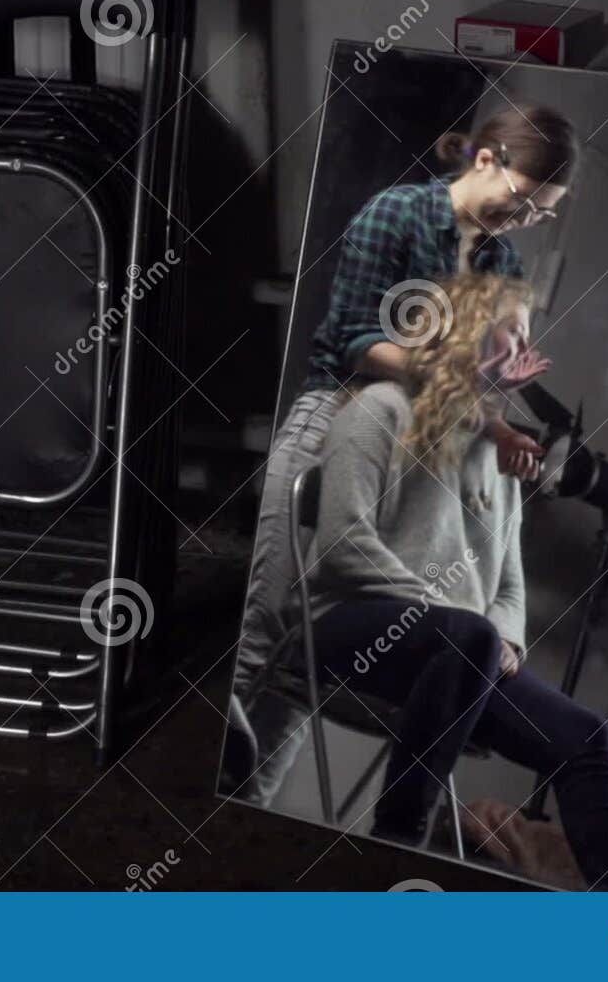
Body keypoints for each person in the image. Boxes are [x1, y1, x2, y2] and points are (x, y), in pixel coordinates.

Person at [224, 105, 578, 805]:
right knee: (267, 623)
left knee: (312, 656)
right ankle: (215, 779)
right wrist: (457, 376)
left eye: (544, 212)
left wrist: (500, 424)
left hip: (418, 445)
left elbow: (474, 378)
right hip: (337, 412)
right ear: (485, 160)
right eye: (525, 200)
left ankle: (251, 810)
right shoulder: (400, 213)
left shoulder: (501, 260)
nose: (527, 219)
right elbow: (357, 341)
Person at [304, 273, 608, 891]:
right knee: (466, 637)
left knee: (585, 737)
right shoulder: (378, 411)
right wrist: (451, 624)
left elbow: (509, 587)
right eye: (511, 333)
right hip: (353, 628)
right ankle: (398, 845)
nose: (522, 351)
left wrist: (506, 639)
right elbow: (339, 545)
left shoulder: (501, 456)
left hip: (464, 657)